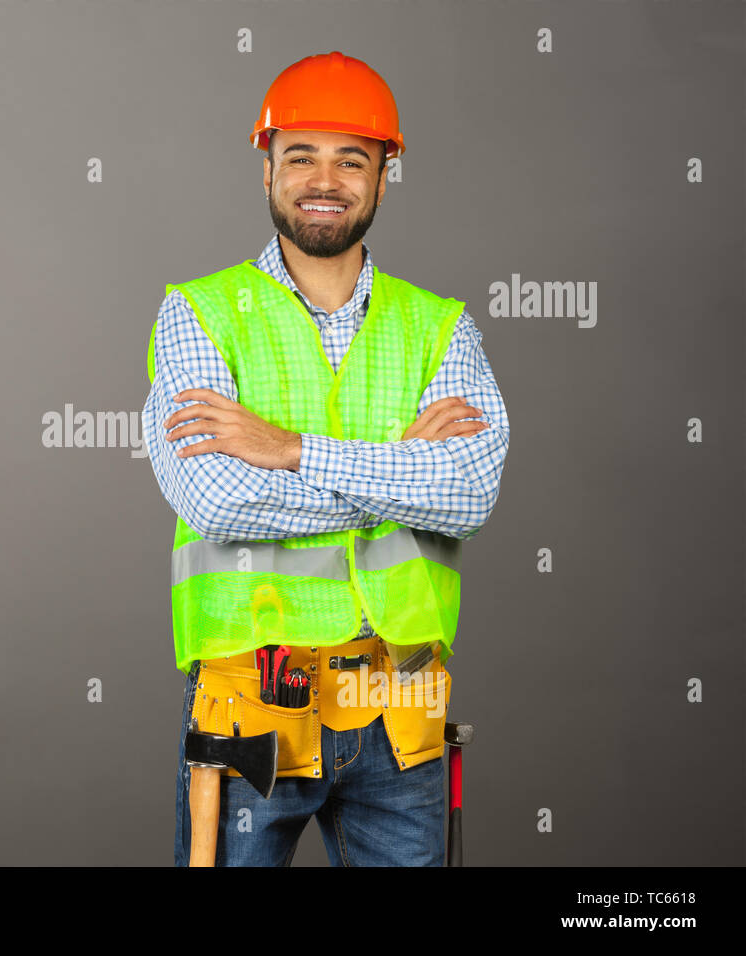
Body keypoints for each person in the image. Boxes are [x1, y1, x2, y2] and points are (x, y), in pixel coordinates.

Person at [141, 51, 510, 866]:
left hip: (399, 705)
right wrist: (400, 477)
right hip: (251, 707)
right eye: (301, 154)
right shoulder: (198, 316)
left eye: (353, 158)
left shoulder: (439, 327)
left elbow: (471, 493)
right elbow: (216, 499)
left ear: (386, 174)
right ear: (266, 164)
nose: (325, 178)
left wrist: (289, 450)